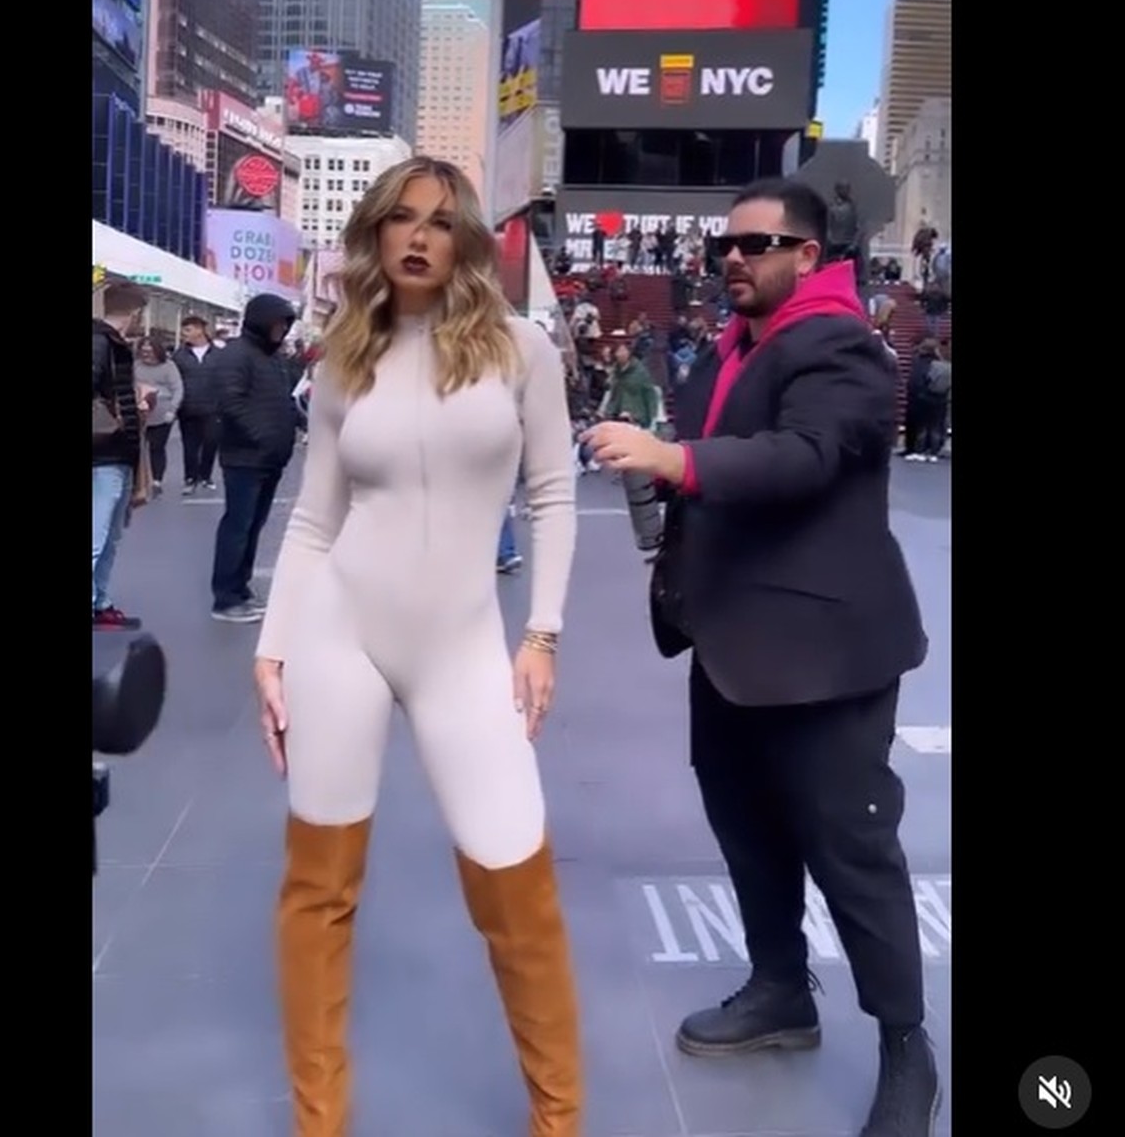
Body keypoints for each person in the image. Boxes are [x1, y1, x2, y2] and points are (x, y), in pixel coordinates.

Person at [586, 177, 939, 1137]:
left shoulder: (845, 348)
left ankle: (908, 1049)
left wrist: (673, 461)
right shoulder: (732, 351)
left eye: (756, 245)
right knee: (747, 827)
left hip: (827, 652)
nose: (732, 261)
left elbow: (807, 456)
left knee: (852, 848)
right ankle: (780, 988)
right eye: (722, 250)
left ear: (809, 256)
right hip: (732, 644)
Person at [252, 156, 581, 1135]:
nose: (419, 234)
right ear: (376, 232)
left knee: (518, 887)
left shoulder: (524, 350)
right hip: (337, 633)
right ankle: (320, 1121)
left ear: (467, 238)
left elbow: (554, 492)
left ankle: (560, 1119)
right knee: (317, 889)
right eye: (400, 216)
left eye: (440, 219)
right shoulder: (348, 358)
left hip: (467, 646)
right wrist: (272, 647)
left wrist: (543, 634)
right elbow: (315, 519)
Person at [210, 294, 299, 623]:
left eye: (285, 324)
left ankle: (241, 588)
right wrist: (262, 437)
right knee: (238, 524)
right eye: (277, 323)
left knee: (252, 526)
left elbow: (284, 401)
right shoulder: (237, 355)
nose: (281, 330)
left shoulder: (273, 359)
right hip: (244, 457)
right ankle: (225, 596)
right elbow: (231, 403)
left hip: (269, 459)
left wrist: (293, 428)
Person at [92, 280, 148, 629]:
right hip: (104, 452)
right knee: (97, 535)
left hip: (117, 451)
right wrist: (117, 410)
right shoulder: (100, 341)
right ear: (134, 312)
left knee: (110, 534)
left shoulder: (110, 341)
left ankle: (99, 602)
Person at [173, 315, 222, 495]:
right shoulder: (179, 356)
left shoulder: (218, 355)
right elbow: (175, 381)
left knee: (211, 443)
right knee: (190, 445)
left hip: (213, 408)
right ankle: (190, 478)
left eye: (188, 330)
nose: (184, 334)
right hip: (188, 408)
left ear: (200, 330)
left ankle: (206, 475)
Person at [136, 335, 184, 495]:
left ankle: (157, 480)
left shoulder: (168, 367)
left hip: (162, 413)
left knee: (157, 447)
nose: (146, 355)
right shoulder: (136, 366)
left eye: (150, 352)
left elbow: (178, 388)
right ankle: (140, 481)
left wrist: (172, 410)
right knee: (138, 448)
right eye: (144, 352)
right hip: (139, 412)